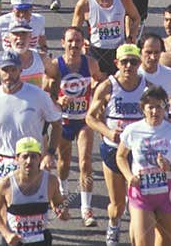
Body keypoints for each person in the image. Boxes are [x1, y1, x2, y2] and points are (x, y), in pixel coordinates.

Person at [86, 43, 147, 245]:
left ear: (139, 63)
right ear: (116, 63)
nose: (129, 66)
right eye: (124, 62)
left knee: (139, 204)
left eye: (133, 62)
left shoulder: (147, 85)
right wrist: (109, 132)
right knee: (118, 204)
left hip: (138, 153)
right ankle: (113, 224)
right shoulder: (107, 86)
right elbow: (91, 118)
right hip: (113, 150)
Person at [0, 49, 62, 193]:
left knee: (32, 209)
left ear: (20, 70)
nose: (9, 75)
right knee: (2, 208)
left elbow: (56, 123)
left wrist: (50, 153)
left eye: (13, 70)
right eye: (5, 70)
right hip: (3, 160)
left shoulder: (38, 96)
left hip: (31, 160)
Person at [117, 85, 171, 246]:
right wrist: (129, 176)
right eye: (150, 107)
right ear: (143, 108)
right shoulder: (132, 130)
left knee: (165, 241)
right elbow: (121, 156)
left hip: (168, 192)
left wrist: (170, 168)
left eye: (159, 107)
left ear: (166, 108)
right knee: (143, 242)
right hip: (141, 192)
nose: (155, 112)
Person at [45, 25, 103, 227]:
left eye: (78, 40)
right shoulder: (56, 65)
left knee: (86, 162)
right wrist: (57, 102)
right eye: (70, 41)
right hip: (64, 121)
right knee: (64, 163)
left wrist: (95, 96)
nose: (74, 44)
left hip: (84, 120)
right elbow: (45, 93)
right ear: (63, 43)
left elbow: (101, 83)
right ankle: (63, 195)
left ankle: (87, 209)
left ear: (83, 43)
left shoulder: (91, 63)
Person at [0, 136, 70, 244]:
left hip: (41, 240)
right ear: (17, 159)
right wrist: (7, 234)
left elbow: (59, 204)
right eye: (25, 156)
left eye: (33, 156)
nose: (29, 161)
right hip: (16, 241)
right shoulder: (5, 184)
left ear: (40, 158)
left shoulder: (50, 181)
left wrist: (63, 211)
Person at [72, 0, 140, 76]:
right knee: (98, 86)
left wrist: (131, 37)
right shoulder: (84, 3)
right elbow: (74, 31)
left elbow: (136, 18)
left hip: (119, 50)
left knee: (120, 84)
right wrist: (83, 41)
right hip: (96, 51)